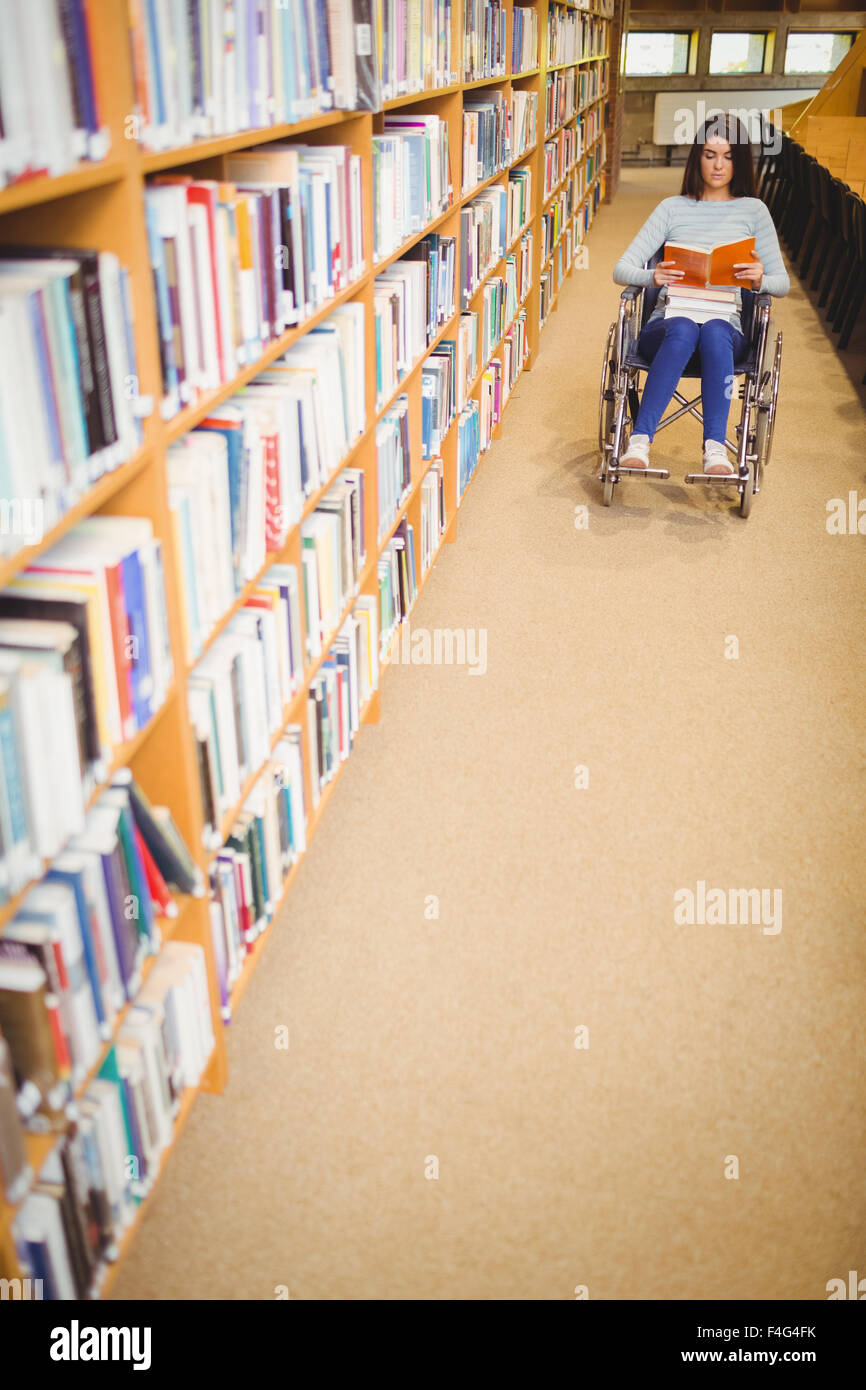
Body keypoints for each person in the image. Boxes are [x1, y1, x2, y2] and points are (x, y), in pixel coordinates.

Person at [612, 114, 789, 475]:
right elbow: (621, 269)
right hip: (668, 324)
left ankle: (715, 449)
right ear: (697, 157)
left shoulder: (754, 211)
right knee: (684, 328)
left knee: (710, 330)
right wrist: (653, 275)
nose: (719, 165)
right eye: (709, 155)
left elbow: (781, 283)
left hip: (724, 327)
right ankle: (640, 441)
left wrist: (758, 280)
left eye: (727, 156)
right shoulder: (672, 208)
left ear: (739, 161)